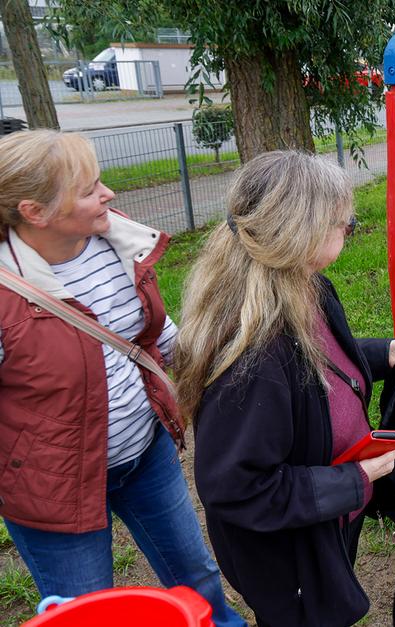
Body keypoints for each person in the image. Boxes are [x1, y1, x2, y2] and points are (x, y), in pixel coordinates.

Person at [0, 130, 243, 625]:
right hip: (56, 487)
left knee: (196, 575)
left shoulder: (113, 240)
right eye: (89, 189)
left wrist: (228, 369)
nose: (108, 194)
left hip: (144, 453)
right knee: (85, 611)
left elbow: (151, 333)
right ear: (35, 212)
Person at [177, 151, 395, 626]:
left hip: (322, 520)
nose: (350, 229)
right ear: (302, 232)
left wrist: (384, 354)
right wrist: (355, 480)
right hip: (288, 552)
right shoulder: (256, 359)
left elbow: (326, 360)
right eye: (344, 224)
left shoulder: (305, 286)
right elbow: (236, 490)